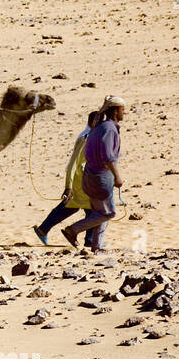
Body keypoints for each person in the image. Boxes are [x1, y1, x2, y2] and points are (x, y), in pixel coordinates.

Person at [62, 96, 126, 252]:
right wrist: (117, 176)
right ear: (116, 111)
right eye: (123, 110)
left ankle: (97, 246)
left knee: (100, 212)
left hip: (90, 176)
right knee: (108, 213)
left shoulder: (99, 127)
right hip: (100, 177)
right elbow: (107, 156)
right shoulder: (109, 129)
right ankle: (74, 229)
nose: (125, 113)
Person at [33, 110, 100, 245]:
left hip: (85, 178)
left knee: (80, 206)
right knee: (91, 207)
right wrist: (68, 186)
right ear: (94, 122)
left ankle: (44, 229)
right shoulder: (86, 138)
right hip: (81, 179)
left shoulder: (90, 136)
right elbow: (73, 163)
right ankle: (89, 239)